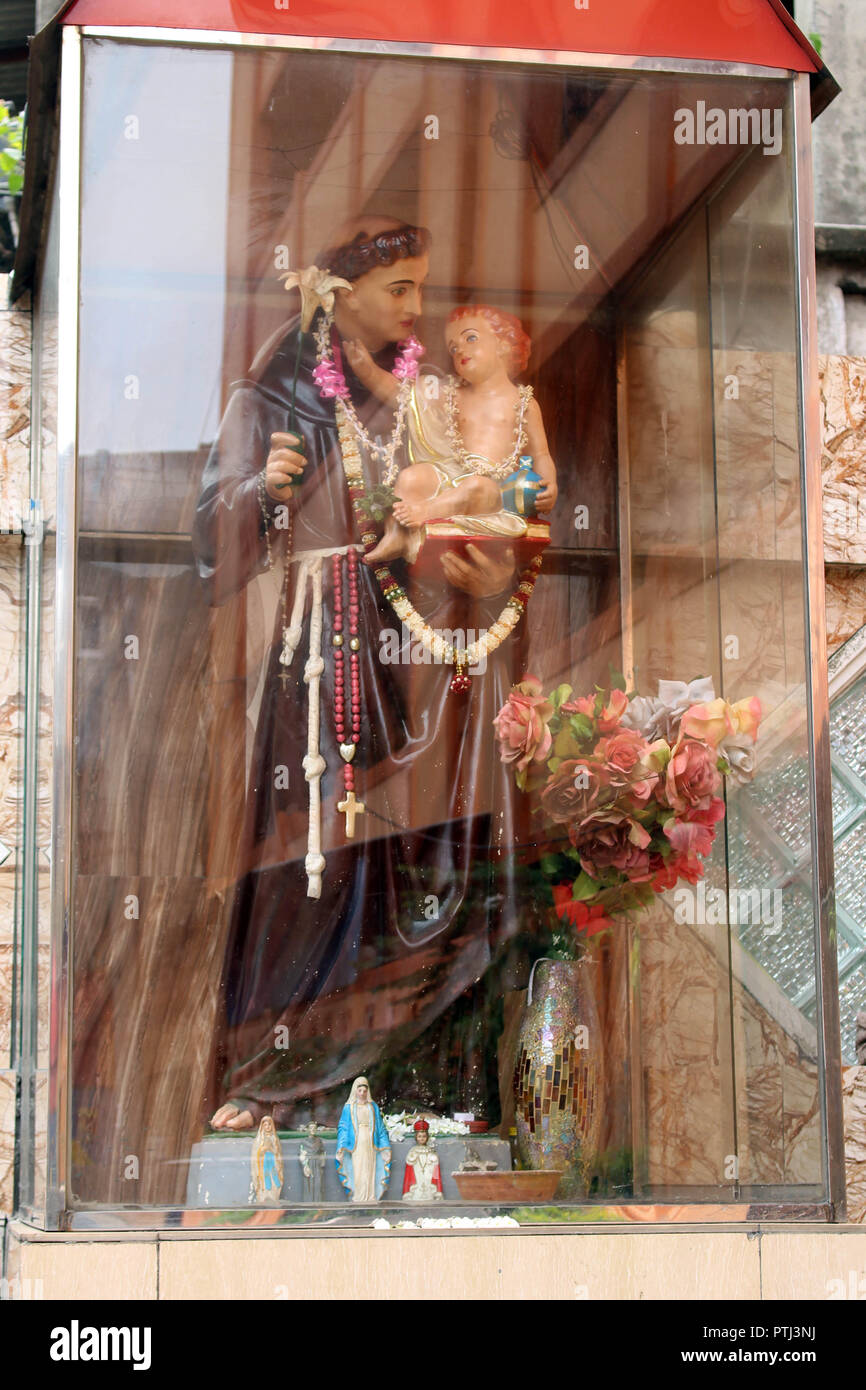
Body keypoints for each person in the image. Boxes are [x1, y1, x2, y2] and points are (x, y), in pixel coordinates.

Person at [195, 215, 543, 1138]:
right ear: (342, 292)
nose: (416, 307)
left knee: (409, 854)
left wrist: (492, 549)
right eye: (400, 288)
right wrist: (260, 492)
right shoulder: (275, 387)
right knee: (307, 859)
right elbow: (208, 537)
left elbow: (486, 497)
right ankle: (278, 1074)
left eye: (424, 289)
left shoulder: (423, 395)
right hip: (314, 653)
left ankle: (397, 1081)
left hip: (410, 653)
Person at [352, 304, 558, 565]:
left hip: (493, 491)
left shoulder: (524, 403)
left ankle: (424, 511)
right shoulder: (451, 394)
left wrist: (548, 486)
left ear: (504, 344)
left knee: (477, 487)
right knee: (412, 476)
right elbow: (404, 396)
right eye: (453, 347)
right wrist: (366, 369)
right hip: (450, 474)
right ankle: (397, 534)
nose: (459, 349)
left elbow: (541, 453)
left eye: (470, 338)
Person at [335, 1077, 391, 1202]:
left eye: (364, 1091)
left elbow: (380, 1127)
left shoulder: (372, 1107)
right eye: (359, 1090)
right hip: (357, 1142)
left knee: (370, 1168)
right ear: (355, 1091)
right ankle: (359, 1196)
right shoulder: (349, 1108)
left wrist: (385, 1145)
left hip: (370, 1142)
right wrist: (342, 1145)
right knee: (359, 1169)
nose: (362, 1093)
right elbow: (343, 1127)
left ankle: (371, 1195)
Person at [401, 1118, 444, 1203]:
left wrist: (438, 1190)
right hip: (417, 1182)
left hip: (429, 1181)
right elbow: (409, 1173)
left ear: (427, 1137)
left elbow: (436, 1173)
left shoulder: (431, 1152)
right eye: (419, 1136)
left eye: (424, 1136)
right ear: (416, 1137)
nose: (422, 1139)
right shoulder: (413, 1152)